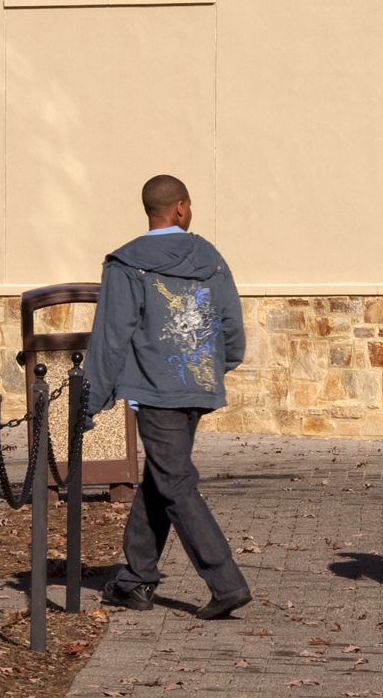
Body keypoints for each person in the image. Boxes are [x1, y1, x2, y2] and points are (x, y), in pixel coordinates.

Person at [83, 173, 251, 619]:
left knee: (173, 482)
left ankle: (226, 581)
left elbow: (111, 337)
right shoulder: (210, 258)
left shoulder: (126, 263)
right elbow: (231, 323)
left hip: (155, 389)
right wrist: (219, 364)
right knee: (163, 479)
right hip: (196, 383)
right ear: (179, 208)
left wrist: (90, 399)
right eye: (189, 205)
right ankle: (136, 580)